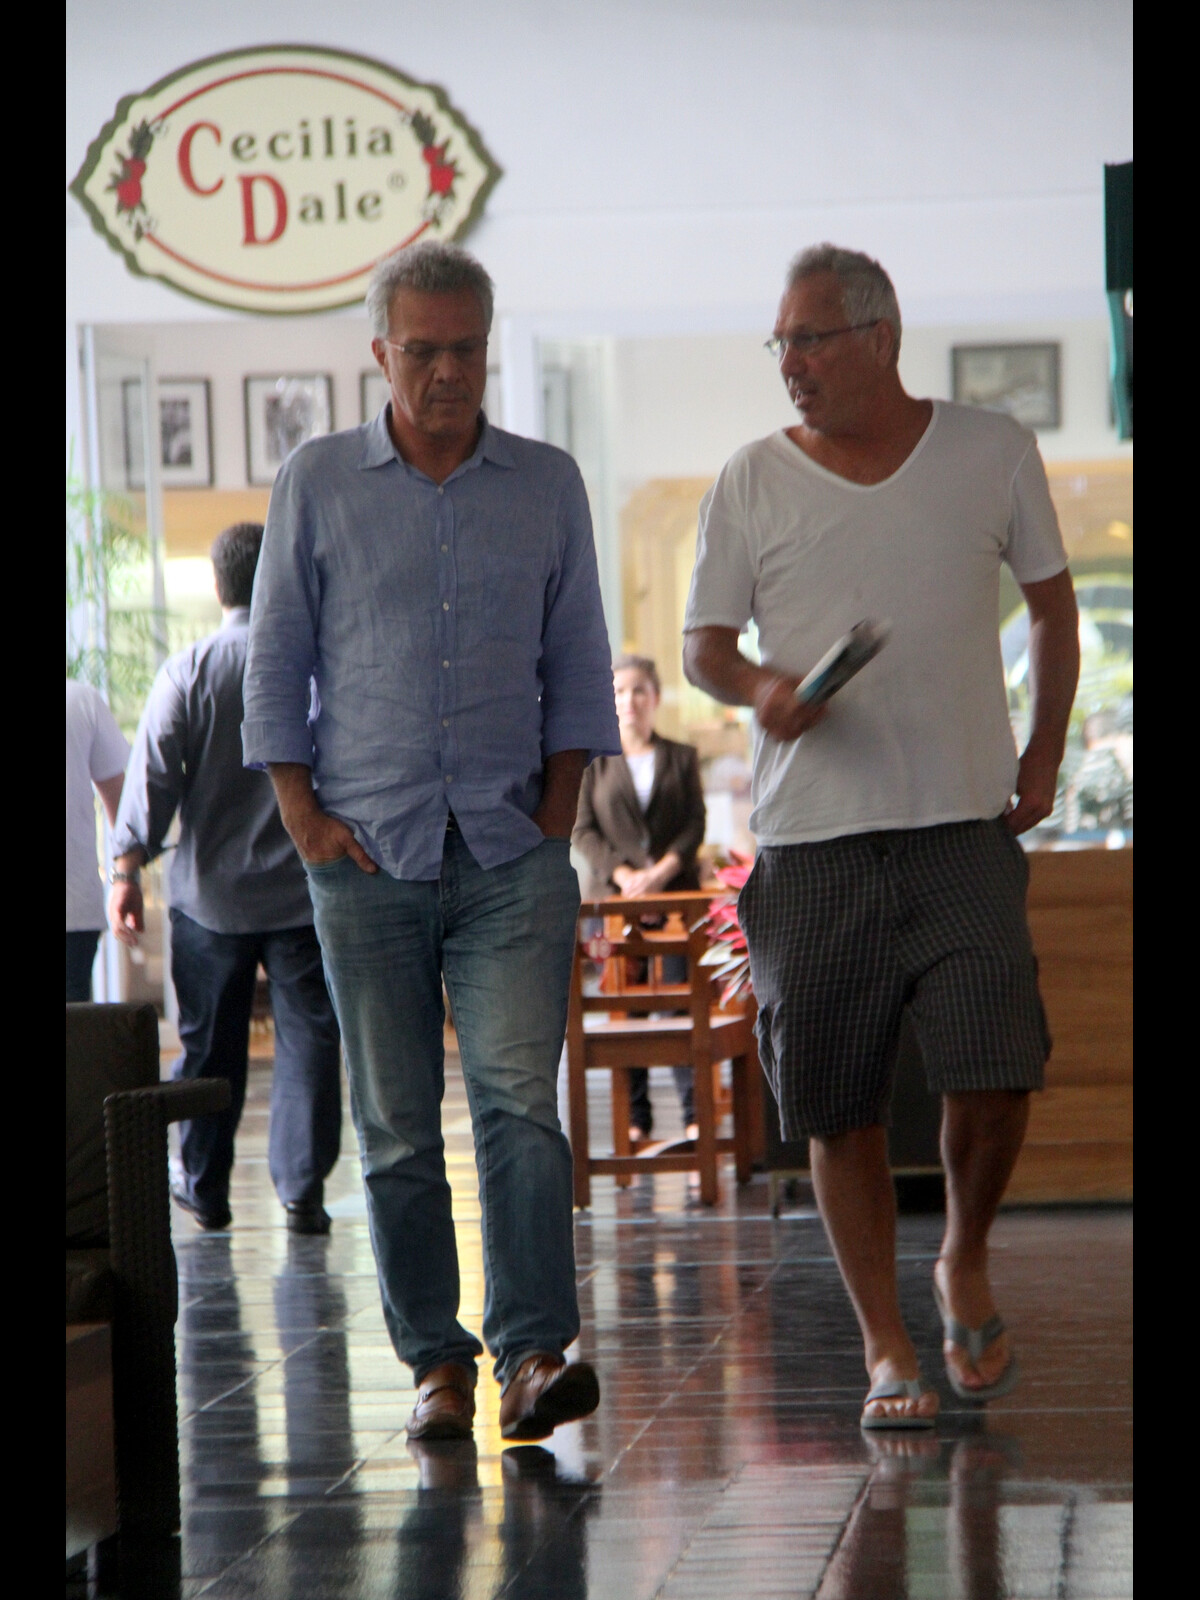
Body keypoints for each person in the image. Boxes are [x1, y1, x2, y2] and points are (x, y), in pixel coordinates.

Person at [682, 244, 1080, 1429]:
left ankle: (962, 1256)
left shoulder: (991, 450)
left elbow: (1054, 608)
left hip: (961, 826)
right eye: (782, 342)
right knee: (834, 1101)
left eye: (810, 339)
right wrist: (761, 688)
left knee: (998, 1065)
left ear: (881, 337)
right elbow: (705, 646)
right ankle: (886, 1347)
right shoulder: (749, 479)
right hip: (811, 843)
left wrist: (1044, 753)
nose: (790, 363)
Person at [241, 241, 619, 1444]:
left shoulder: (547, 483)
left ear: (488, 347)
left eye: (466, 349)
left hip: (512, 848)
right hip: (363, 853)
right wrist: (303, 818)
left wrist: (556, 816)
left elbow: (581, 657)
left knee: (521, 1107)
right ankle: (435, 1365)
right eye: (422, 351)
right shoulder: (318, 480)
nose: (447, 371)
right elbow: (275, 659)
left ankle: (532, 1354)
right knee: (397, 1124)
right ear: (380, 353)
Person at [108, 523, 342, 1236]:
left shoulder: (190, 669)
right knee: (310, 1042)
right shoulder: (315, 668)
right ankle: (302, 1189)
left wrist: (126, 867)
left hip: (210, 899)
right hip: (305, 892)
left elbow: (153, 776)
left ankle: (204, 1187)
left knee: (210, 1046)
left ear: (218, 585)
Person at [572, 654, 707, 1142]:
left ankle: (693, 1117)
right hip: (614, 906)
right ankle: (636, 1121)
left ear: (656, 697)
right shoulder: (593, 762)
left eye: (638, 690)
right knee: (623, 1011)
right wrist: (627, 875)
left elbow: (695, 823)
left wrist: (663, 870)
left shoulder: (682, 756)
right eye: (619, 691)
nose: (629, 700)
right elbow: (582, 830)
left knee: (680, 1007)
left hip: (675, 903)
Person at [66, 679, 129, 1000]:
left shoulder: (81, 699)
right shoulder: (80, 699)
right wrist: (126, 877)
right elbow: (122, 804)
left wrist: (124, 879)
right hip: (74, 913)